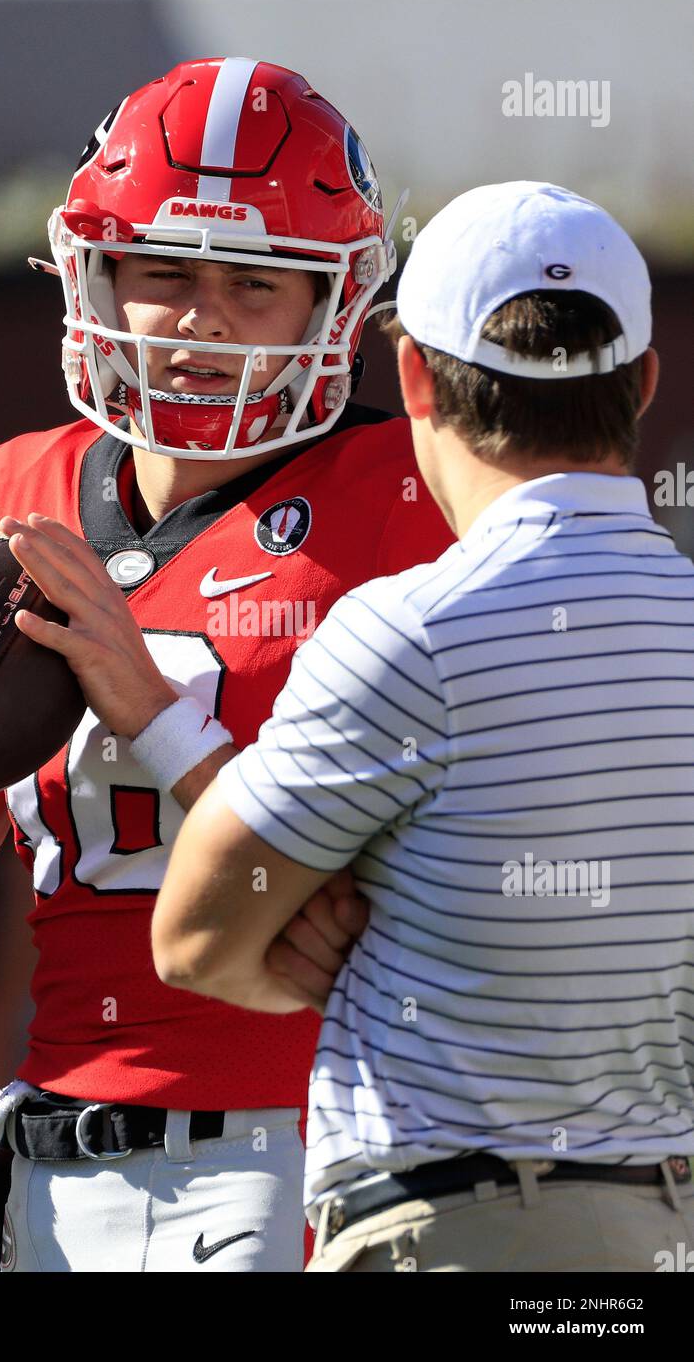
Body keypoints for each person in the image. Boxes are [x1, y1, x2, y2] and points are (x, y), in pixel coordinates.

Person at [0, 57, 452, 1274]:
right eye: (162, 270)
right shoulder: (17, 489)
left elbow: (385, 919)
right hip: (39, 1165)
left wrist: (154, 713)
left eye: (256, 281)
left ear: (335, 305)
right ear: (91, 270)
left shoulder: (406, 499)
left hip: (293, 1152)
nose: (200, 317)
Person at [153, 180, 694, 1273]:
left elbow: (192, 939)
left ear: (411, 376)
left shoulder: (408, 629)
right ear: (641, 378)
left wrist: (329, 938)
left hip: (455, 1227)